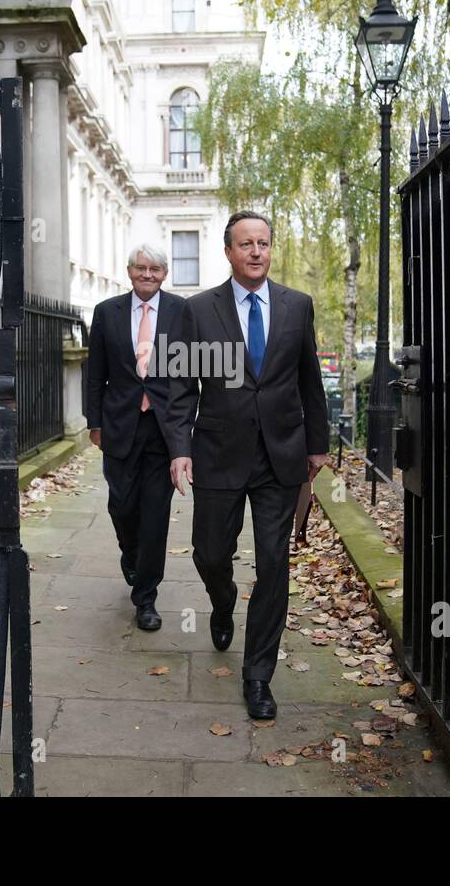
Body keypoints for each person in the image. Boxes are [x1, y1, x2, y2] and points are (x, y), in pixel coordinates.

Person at [165, 211, 329, 720]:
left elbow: (309, 380)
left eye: (263, 243)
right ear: (229, 252)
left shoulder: (297, 306)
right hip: (218, 452)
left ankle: (258, 676)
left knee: (275, 564)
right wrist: (179, 448)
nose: (256, 251)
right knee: (211, 553)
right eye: (246, 244)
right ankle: (221, 597)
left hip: (280, 455)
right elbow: (179, 388)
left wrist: (317, 444)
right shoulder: (197, 311)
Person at [85, 246, 185, 631]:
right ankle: (131, 555)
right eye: (141, 267)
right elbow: (95, 373)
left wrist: (186, 432)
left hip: (164, 427)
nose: (147, 274)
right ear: (129, 271)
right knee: (122, 506)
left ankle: (146, 598)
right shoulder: (107, 312)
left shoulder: (181, 311)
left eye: (155, 268)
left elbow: (189, 371)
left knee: (156, 515)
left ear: (164, 274)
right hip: (120, 425)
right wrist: (94, 422)